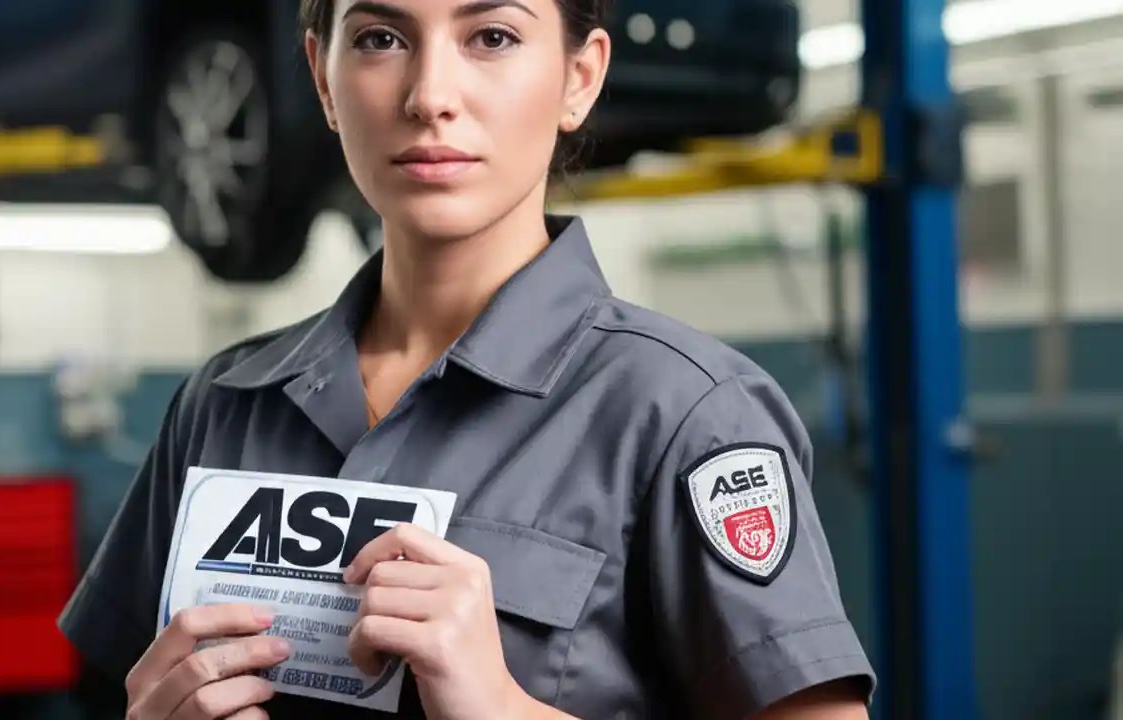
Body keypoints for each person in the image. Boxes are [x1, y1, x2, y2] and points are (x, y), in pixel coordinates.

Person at [57, 1, 877, 718]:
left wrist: (504, 711)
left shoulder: (688, 415)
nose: (429, 98)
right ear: (320, 76)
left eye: (490, 36)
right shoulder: (224, 404)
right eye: (380, 38)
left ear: (579, 78)